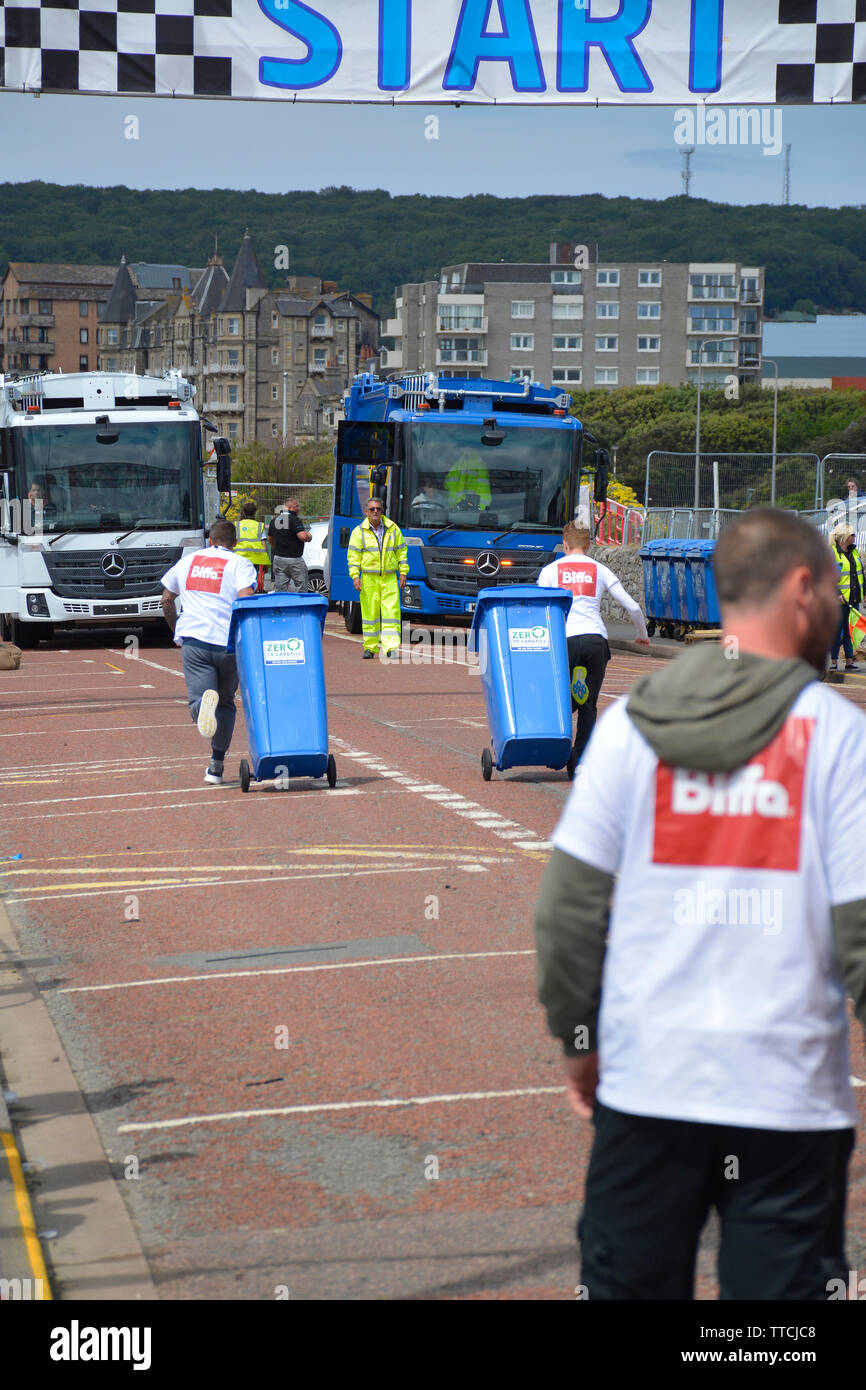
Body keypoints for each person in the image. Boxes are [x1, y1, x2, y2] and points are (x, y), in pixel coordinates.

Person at [534, 508, 866, 1301]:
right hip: (787, 1106)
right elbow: (860, 933)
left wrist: (580, 1040)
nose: (837, 611)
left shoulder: (629, 730)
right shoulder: (834, 735)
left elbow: (568, 910)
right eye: (830, 591)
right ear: (799, 588)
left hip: (649, 1089)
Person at [536, 522, 649, 768]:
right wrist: (642, 634)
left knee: (560, 699)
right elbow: (632, 607)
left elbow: (540, 607)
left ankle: (560, 747)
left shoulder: (551, 570)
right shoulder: (600, 569)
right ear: (588, 546)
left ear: (565, 544)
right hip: (596, 639)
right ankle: (579, 758)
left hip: (565, 638)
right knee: (590, 705)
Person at [160, 518, 256, 784]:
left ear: (209, 541)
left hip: (195, 640)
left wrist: (176, 630)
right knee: (226, 704)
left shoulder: (189, 561)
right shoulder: (239, 563)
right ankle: (216, 766)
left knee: (198, 700)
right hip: (227, 644)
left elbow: (167, 598)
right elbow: (246, 597)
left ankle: (202, 706)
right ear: (234, 544)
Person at [347, 497, 408, 658]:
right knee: (369, 614)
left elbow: (401, 552)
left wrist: (403, 572)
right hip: (368, 578)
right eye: (372, 509)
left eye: (378, 509)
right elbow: (353, 557)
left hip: (389, 578)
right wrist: (355, 576)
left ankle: (390, 648)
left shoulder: (393, 528)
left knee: (391, 614)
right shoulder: (358, 532)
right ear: (366, 512)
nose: (375, 512)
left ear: (382, 511)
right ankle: (370, 647)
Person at [829, 524, 864, 672]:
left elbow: (860, 573)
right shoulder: (833, 554)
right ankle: (834, 661)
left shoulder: (854, 552)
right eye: (852, 535)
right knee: (837, 631)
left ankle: (849, 660)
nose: (854, 537)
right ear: (844, 537)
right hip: (839, 600)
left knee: (850, 630)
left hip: (854, 598)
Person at [269, 499, 312, 592]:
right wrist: (309, 536)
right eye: (296, 506)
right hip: (294, 559)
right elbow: (303, 536)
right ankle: (300, 605)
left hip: (279, 558)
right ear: (289, 508)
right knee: (301, 586)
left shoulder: (274, 521)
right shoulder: (294, 519)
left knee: (280, 588)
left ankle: (281, 605)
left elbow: (270, 539)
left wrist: (276, 547)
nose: (298, 508)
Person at [234, 501, 271, 591]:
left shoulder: (237, 525)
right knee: (252, 580)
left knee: (239, 579)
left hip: (240, 557)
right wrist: (265, 563)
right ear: (255, 512)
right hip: (255, 559)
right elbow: (264, 546)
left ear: (243, 512)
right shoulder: (259, 526)